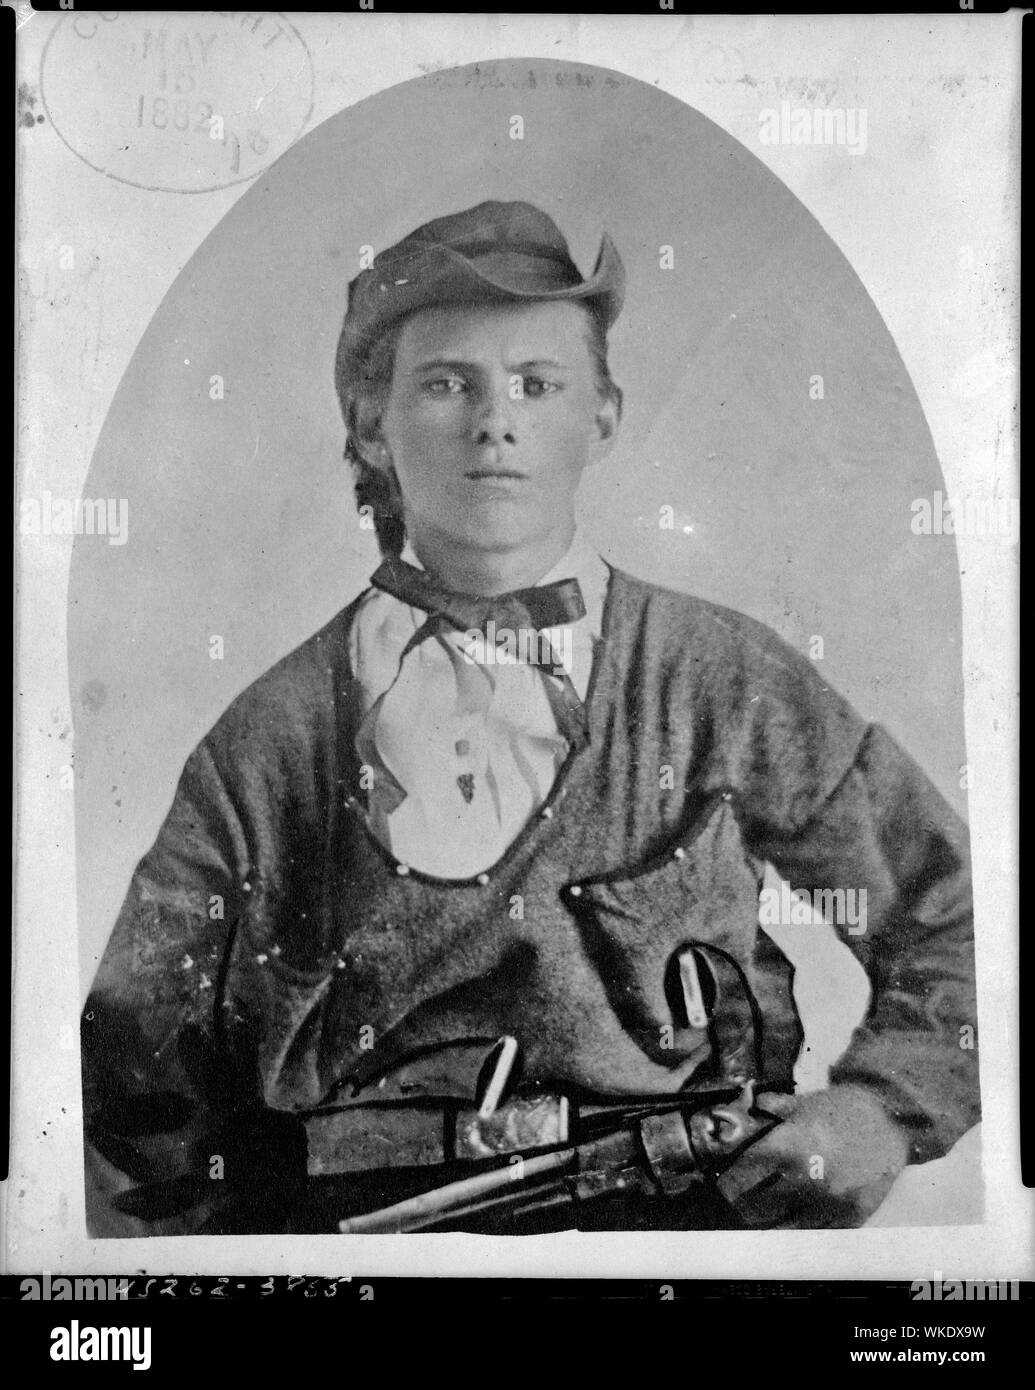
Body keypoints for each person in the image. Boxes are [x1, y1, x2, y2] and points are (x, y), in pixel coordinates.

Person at [81, 200, 979, 1236]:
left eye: (537, 385)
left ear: (602, 415)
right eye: (447, 382)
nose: (494, 421)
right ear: (372, 424)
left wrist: (880, 1107)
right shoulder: (270, 740)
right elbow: (134, 1060)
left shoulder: (721, 680)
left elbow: (957, 916)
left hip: (677, 1236)